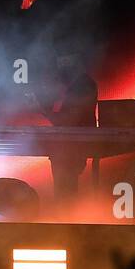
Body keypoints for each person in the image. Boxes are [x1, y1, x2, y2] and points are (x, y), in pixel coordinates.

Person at [25, 49, 98, 210]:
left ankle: (68, 224)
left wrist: (41, 109)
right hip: (69, 151)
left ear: (74, 62)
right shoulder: (78, 86)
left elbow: (66, 121)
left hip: (71, 151)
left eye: (62, 62)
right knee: (65, 197)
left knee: (65, 198)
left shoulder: (82, 86)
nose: (59, 67)